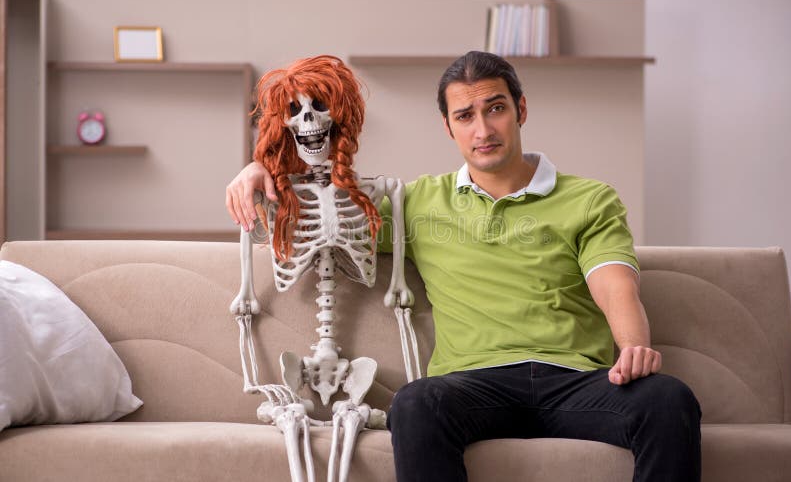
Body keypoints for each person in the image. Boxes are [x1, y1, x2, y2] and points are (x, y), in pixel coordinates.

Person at [225, 51, 702, 482]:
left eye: (495, 108)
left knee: (667, 399)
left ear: (521, 110)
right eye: (465, 115)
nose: (483, 129)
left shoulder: (589, 198)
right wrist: (258, 167)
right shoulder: (415, 203)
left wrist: (634, 346)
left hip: (575, 380)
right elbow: (322, 205)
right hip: (473, 384)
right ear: (448, 127)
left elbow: (615, 286)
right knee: (414, 404)